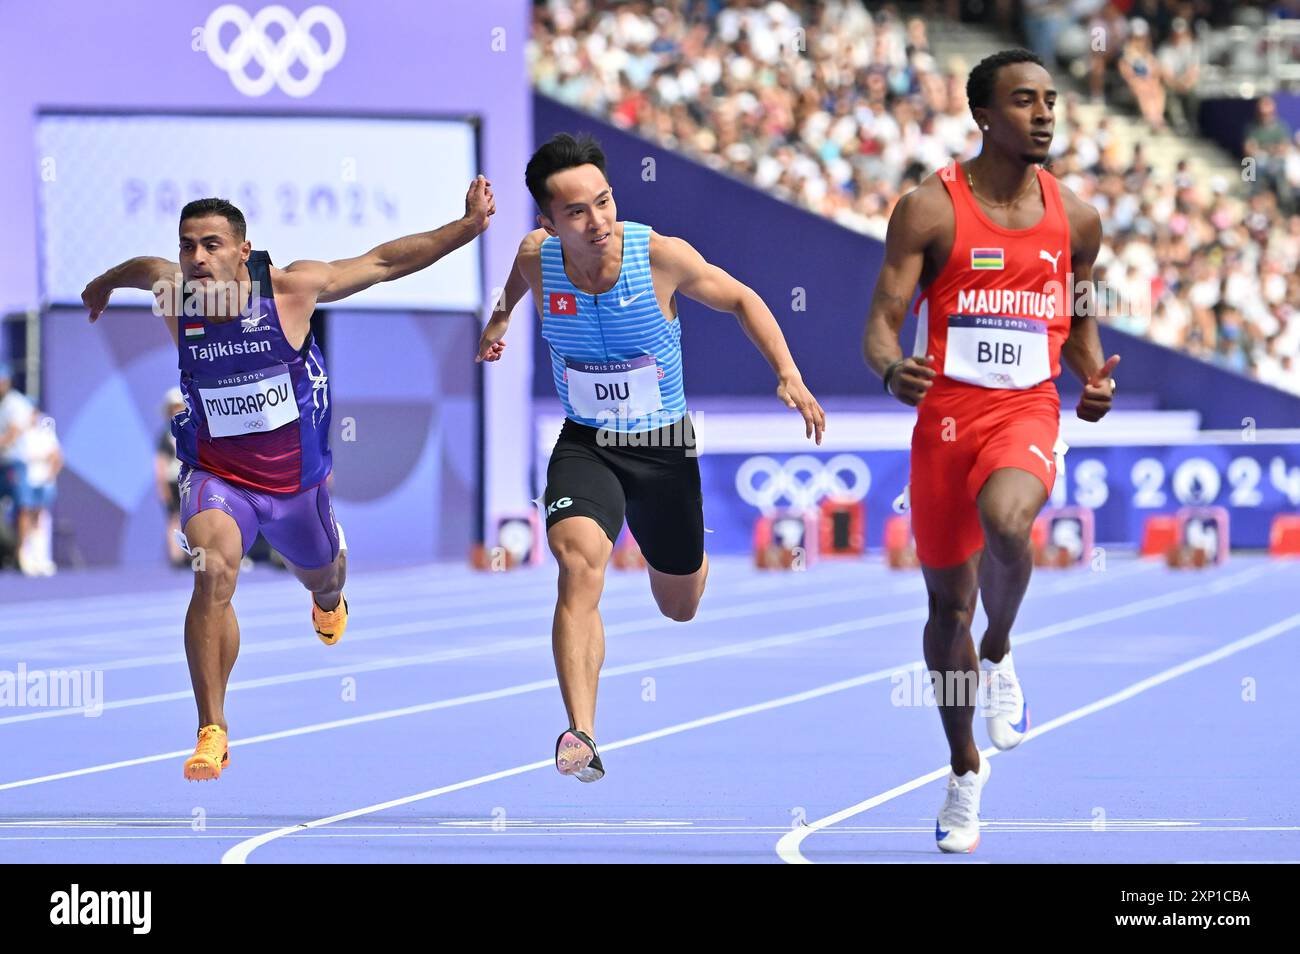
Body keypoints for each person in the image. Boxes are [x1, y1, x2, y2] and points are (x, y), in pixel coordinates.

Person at [81, 176, 495, 780]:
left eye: (213, 245)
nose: (197, 257)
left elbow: (382, 262)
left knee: (324, 576)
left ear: (243, 252)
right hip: (218, 475)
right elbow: (143, 267)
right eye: (188, 245)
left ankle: (328, 599)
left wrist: (467, 228)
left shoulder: (290, 291)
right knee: (213, 569)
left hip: (296, 488)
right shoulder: (176, 293)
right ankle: (212, 729)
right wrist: (102, 283)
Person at [478, 132, 825, 783]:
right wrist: (497, 323)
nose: (597, 221)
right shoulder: (537, 258)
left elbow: (743, 298)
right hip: (587, 442)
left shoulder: (658, 256)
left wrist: (788, 373)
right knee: (578, 564)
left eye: (603, 202)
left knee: (680, 605)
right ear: (549, 222)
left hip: (662, 448)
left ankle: (689, 562)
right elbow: (512, 289)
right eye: (577, 212)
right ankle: (581, 732)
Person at [863, 50, 1119, 853]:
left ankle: (1002, 653)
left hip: (1026, 412)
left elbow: (1079, 320)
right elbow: (880, 321)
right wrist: (888, 367)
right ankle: (963, 770)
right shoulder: (927, 210)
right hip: (943, 422)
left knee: (1009, 522)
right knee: (946, 613)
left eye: (1050, 100)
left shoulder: (1078, 219)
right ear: (983, 115)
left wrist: (1092, 379)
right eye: (1023, 100)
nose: (1044, 113)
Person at [14, 406, 63, 576]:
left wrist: (50, 472)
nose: (34, 416)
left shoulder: (47, 431)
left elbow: (56, 456)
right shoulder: (22, 434)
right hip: (27, 480)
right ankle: (24, 555)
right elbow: (19, 457)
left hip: (44, 481)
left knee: (40, 517)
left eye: (36, 412)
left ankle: (40, 557)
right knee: (26, 514)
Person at [0, 361, 36, 568]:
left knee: (23, 506)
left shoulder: (16, 403)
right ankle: (7, 550)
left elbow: (13, 433)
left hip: (14, 464)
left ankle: (22, 552)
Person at [157, 387, 189, 568]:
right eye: (173, 407)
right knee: (174, 519)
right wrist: (162, 486)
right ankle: (177, 557)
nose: (177, 410)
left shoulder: (192, 430)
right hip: (173, 481)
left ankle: (191, 556)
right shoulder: (165, 435)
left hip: (190, 479)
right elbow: (160, 463)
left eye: (180, 406)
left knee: (192, 519)